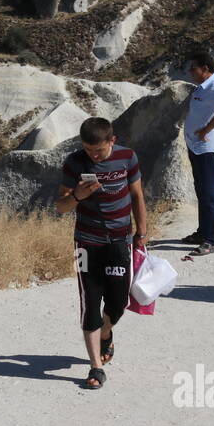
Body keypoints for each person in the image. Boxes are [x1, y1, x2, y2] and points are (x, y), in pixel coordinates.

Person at [55, 117, 150, 390]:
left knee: (119, 302)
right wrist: (77, 196)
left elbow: (137, 196)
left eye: (98, 150)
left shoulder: (127, 158)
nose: (93, 155)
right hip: (86, 242)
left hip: (120, 241)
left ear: (112, 140)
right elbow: (60, 207)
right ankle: (96, 366)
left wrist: (141, 234)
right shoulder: (75, 163)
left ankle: (107, 332)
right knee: (89, 301)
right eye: (88, 149)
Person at [181, 52, 214, 258]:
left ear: (205, 68)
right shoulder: (203, 87)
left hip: (208, 147)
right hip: (197, 147)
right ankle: (203, 232)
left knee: (210, 194)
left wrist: (206, 130)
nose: (190, 72)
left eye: (193, 68)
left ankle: (213, 240)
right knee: (202, 192)